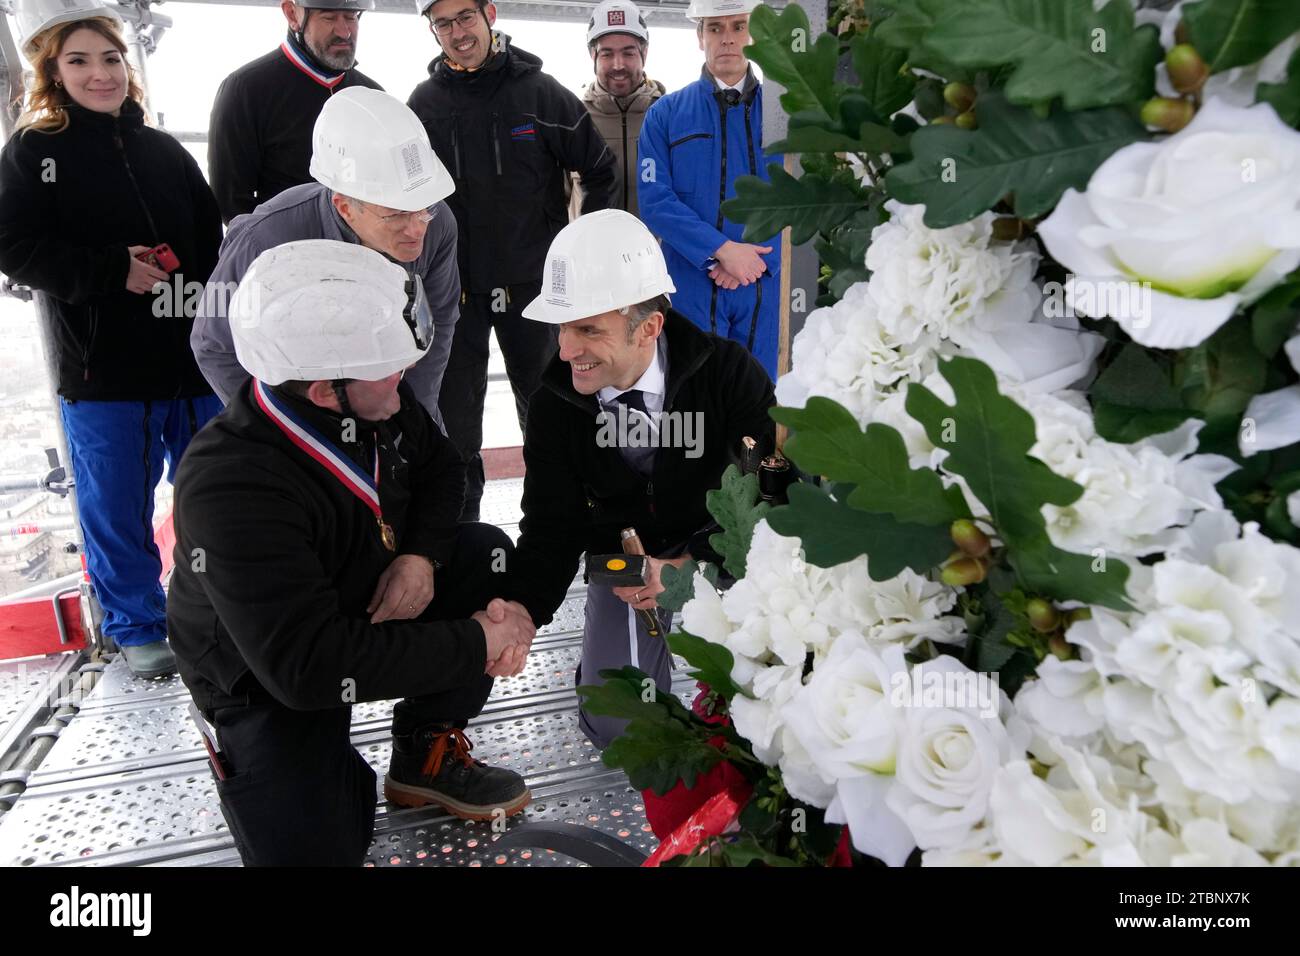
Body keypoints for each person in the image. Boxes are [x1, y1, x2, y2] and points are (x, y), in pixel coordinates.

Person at [167, 240, 534, 867]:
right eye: (388, 368)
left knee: (483, 556)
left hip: (358, 594)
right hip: (267, 672)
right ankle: (274, 760)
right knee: (319, 849)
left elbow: (445, 472)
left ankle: (425, 751)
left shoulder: (373, 395)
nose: (403, 377)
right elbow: (306, 666)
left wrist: (420, 555)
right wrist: (477, 643)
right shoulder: (231, 483)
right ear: (322, 391)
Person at [0, 0, 223, 680]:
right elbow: (13, 245)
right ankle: (138, 626)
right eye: (80, 60)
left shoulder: (163, 151)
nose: (101, 73)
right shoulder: (36, 153)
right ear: (53, 71)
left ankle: (218, 609)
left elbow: (208, 241)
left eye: (111, 59)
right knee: (115, 508)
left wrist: (208, 310)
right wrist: (108, 270)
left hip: (188, 367)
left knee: (215, 494)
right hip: (103, 371)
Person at [504, 210, 774, 748]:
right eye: (561, 327)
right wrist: (521, 610)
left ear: (648, 326)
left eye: (587, 329)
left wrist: (689, 567)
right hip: (621, 559)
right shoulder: (555, 403)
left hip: (724, 545)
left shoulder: (729, 374)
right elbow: (551, 527)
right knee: (623, 724)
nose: (565, 350)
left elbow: (773, 493)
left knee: (768, 700)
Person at [408, 0, 617, 520]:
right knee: (454, 421)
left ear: (490, 14)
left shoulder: (540, 94)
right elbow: (405, 195)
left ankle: (558, 523)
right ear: (433, 31)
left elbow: (598, 169)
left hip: (534, 291)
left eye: (466, 17)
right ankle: (460, 537)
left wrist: (578, 252)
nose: (458, 32)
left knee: (550, 410)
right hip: (452, 292)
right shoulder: (423, 105)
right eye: (444, 24)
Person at [192, 87, 459, 429]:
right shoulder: (263, 240)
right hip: (302, 422)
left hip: (390, 404)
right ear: (345, 206)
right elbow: (213, 345)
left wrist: (415, 422)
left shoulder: (438, 223)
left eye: (424, 209)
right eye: (394, 215)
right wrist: (288, 432)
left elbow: (440, 322)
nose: (416, 229)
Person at [637, 0, 782, 379]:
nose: (727, 39)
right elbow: (655, 202)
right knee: (694, 401)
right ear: (699, 36)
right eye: (715, 28)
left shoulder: (786, 113)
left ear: (754, 34)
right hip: (690, 286)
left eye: (738, 26)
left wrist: (756, 262)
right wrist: (721, 251)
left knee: (759, 399)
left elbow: (802, 199)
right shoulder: (666, 114)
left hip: (764, 285)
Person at [207, 0, 382, 225]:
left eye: (351, 16)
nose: (344, 31)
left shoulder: (373, 95)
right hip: (282, 252)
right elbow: (231, 202)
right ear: (292, 14)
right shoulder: (245, 89)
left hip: (364, 253)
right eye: (328, 17)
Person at [566, 0, 666, 219]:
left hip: (655, 252)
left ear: (644, 53)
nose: (618, 65)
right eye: (607, 54)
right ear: (593, 55)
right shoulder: (572, 119)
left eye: (628, 53)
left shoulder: (668, 116)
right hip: (590, 249)